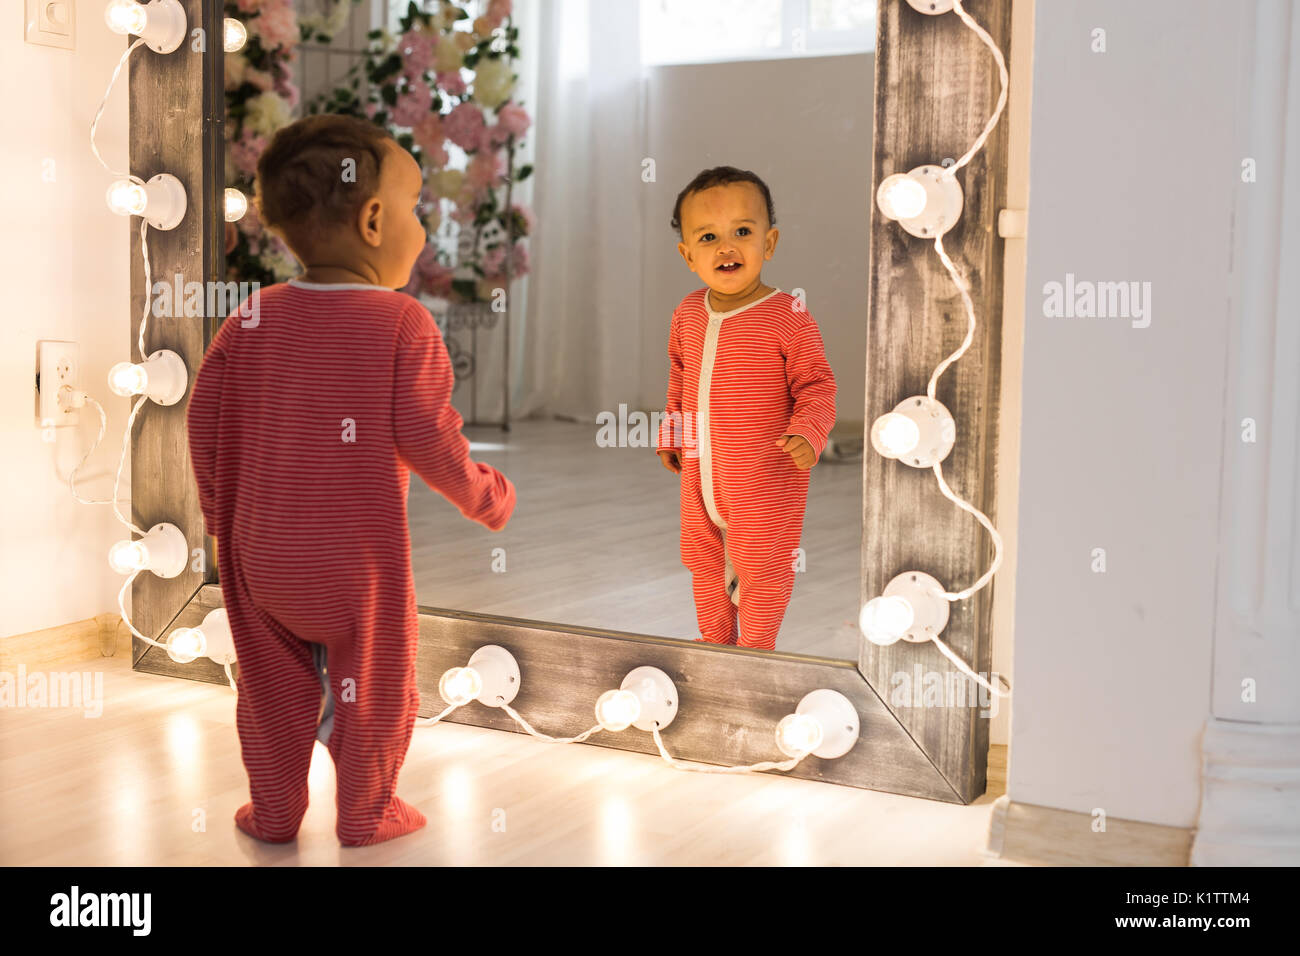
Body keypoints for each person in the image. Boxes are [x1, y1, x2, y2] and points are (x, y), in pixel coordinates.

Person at [187, 114, 515, 846]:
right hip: (357, 570)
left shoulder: (249, 319)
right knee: (373, 694)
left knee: (270, 694)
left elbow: (202, 424)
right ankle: (368, 811)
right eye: (415, 210)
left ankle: (273, 812)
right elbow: (430, 439)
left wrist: (219, 521)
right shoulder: (402, 324)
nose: (423, 231)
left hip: (260, 559)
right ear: (373, 220)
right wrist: (485, 495)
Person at [656, 166, 836, 650]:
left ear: (769, 243)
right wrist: (672, 432)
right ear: (688, 254)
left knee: (762, 565)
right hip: (700, 472)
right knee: (702, 559)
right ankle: (717, 650)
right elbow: (680, 376)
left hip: (765, 473)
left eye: (742, 232)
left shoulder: (787, 315)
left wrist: (809, 432)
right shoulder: (688, 312)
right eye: (709, 236)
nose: (726, 247)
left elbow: (817, 383)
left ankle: (755, 656)